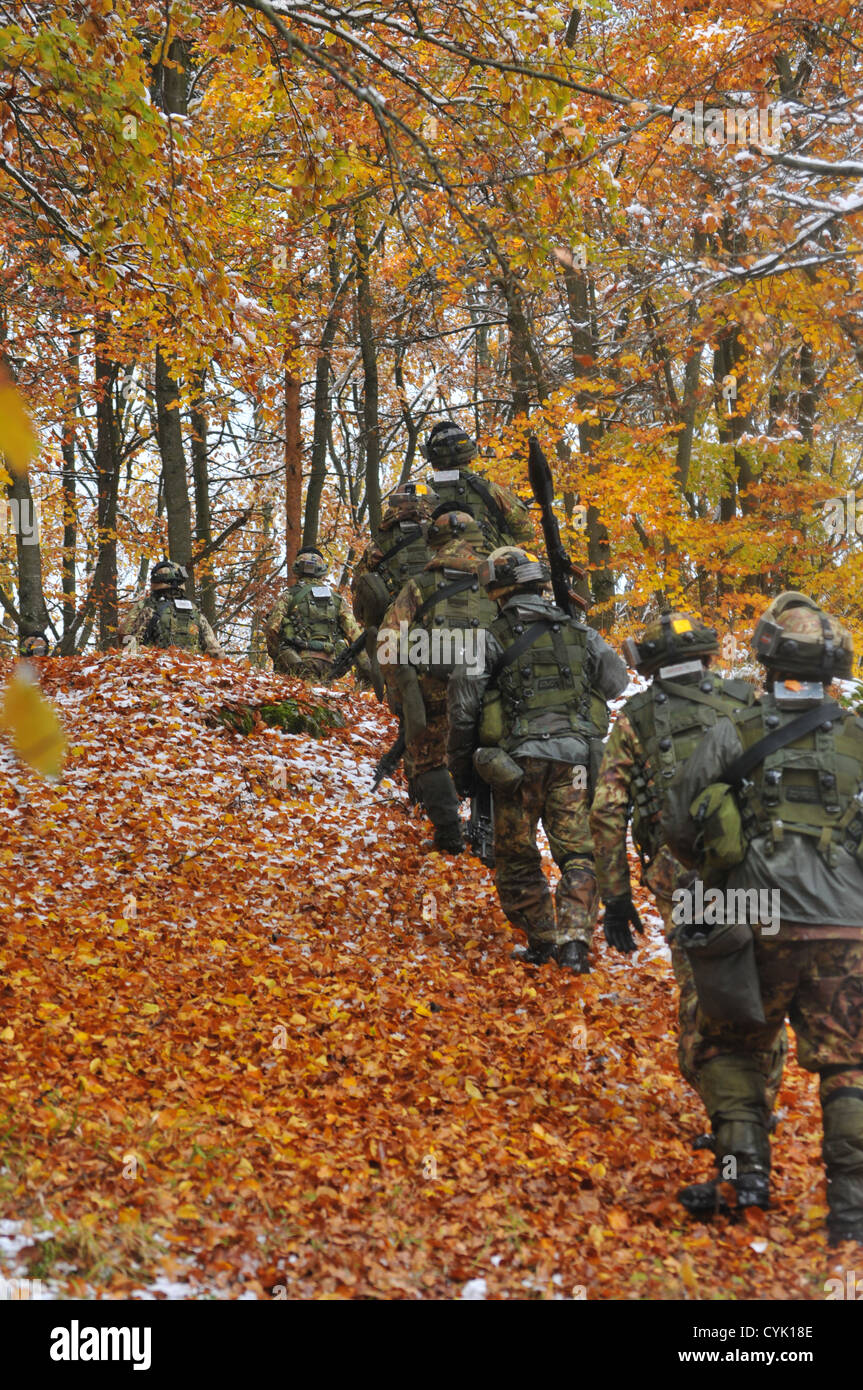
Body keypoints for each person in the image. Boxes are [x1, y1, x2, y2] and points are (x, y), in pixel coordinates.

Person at [666, 592, 863, 1242]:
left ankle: (741, 1177)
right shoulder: (859, 739)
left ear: (768, 662)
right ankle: (851, 1215)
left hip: (755, 918)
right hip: (846, 926)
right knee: (847, 1063)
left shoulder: (733, 729)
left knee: (731, 1046)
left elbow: (679, 828)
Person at [589, 612, 786, 1116]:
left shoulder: (635, 718)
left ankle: (727, 1111)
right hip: (755, 865)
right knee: (760, 977)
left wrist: (615, 898)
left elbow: (608, 809)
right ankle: (756, 1107)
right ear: (706, 653)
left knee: (702, 983)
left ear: (650, 664)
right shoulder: (747, 701)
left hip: (683, 873)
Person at [448, 545, 628, 972]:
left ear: (497, 588)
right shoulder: (580, 632)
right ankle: (575, 942)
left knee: (516, 856)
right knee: (580, 853)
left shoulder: (486, 638)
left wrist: (462, 767)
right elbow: (617, 680)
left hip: (518, 766)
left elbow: (461, 708)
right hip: (578, 763)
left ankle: (544, 939)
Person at [377, 506, 496, 853]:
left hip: (433, 688)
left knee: (428, 760)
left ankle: (449, 836)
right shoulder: (495, 582)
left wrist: (399, 689)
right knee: (487, 751)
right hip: (486, 688)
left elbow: (388, 639)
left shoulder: (421, 584)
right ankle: (488, 833)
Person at [422, 420, 534, 556]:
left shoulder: (420, 497)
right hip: (485, 570)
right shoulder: (490, 490)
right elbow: (526, 531)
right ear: (469, 454)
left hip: (432, 572)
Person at [266, 548, 370, 683]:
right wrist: (366, 670)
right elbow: (355, 635)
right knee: (324, 698)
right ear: (321, 570)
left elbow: (272, 628)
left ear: (297, 568)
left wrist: (277, 655)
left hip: (298, 661)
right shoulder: (337, 600)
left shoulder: (288, 596)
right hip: (331, 663)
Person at [119, 560, 223, 656]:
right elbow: (215, 650)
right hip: (190, 672)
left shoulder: (146, 607)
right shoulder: (194, 611)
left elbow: (124, 636)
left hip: (153, 670)